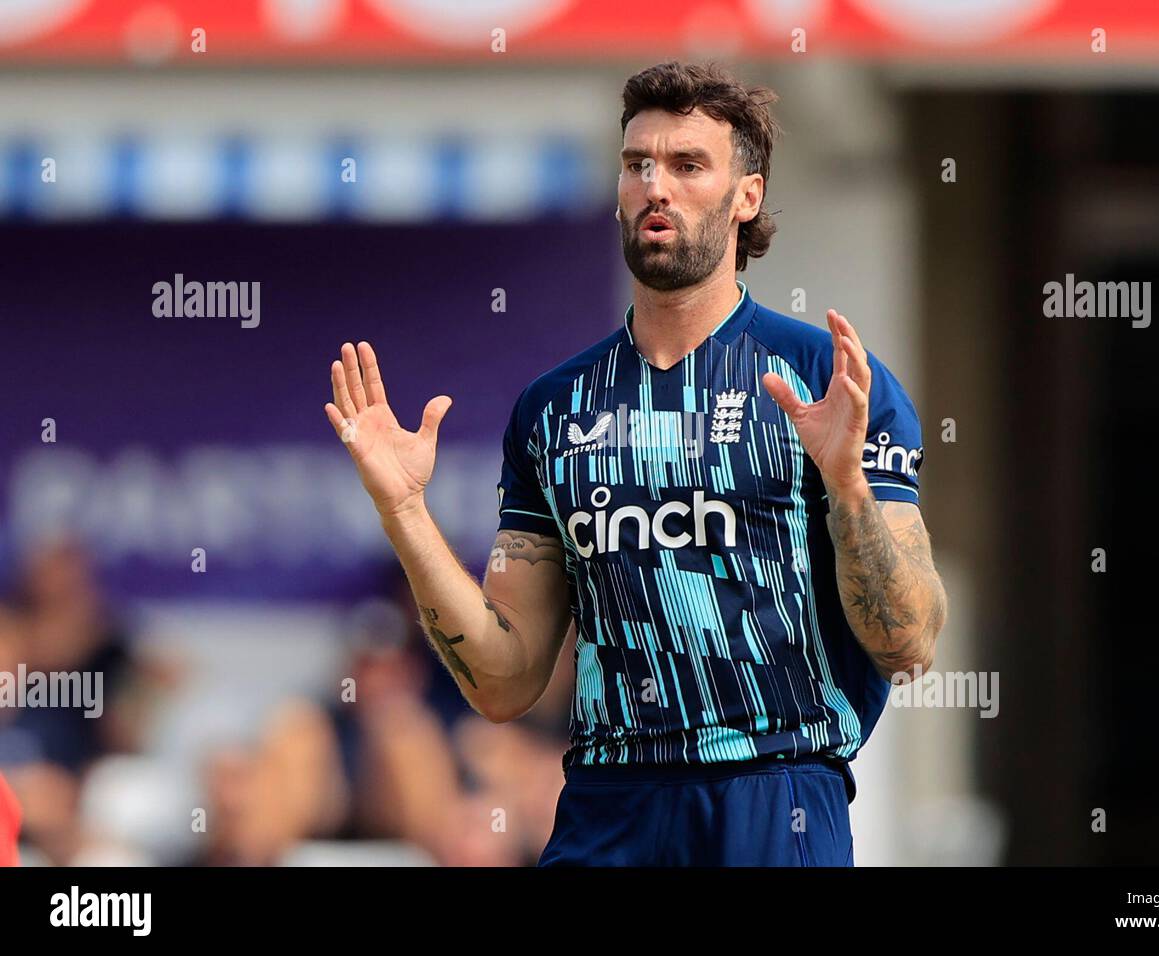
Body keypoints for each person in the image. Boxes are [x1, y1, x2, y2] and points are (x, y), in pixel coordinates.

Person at [323, 60, 947, 866]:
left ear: (745, 196)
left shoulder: (830, 382)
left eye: (688, 166)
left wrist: (846, 486)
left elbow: (909, 640)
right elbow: (505, 680)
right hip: (607, 805)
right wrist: (404, 512)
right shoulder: (554, 408)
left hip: (776, 793)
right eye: (636, 164)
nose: (657, 186)